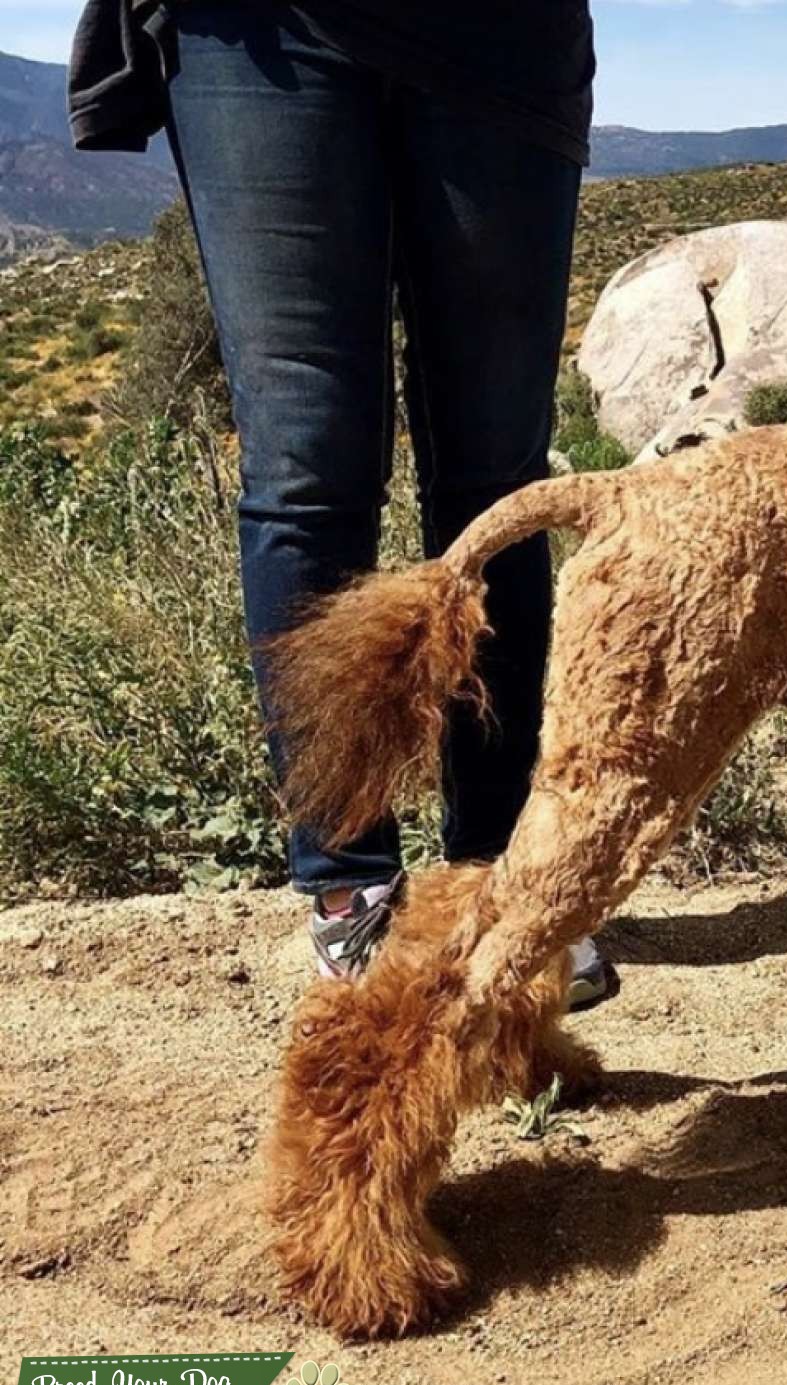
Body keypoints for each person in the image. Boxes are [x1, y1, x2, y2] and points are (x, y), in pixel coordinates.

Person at [68, 0, 616, 1006]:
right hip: (253, 27)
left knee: (497, 475)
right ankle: (348, 889)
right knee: (306, 472)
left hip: (502, 35)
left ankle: (504, 876)